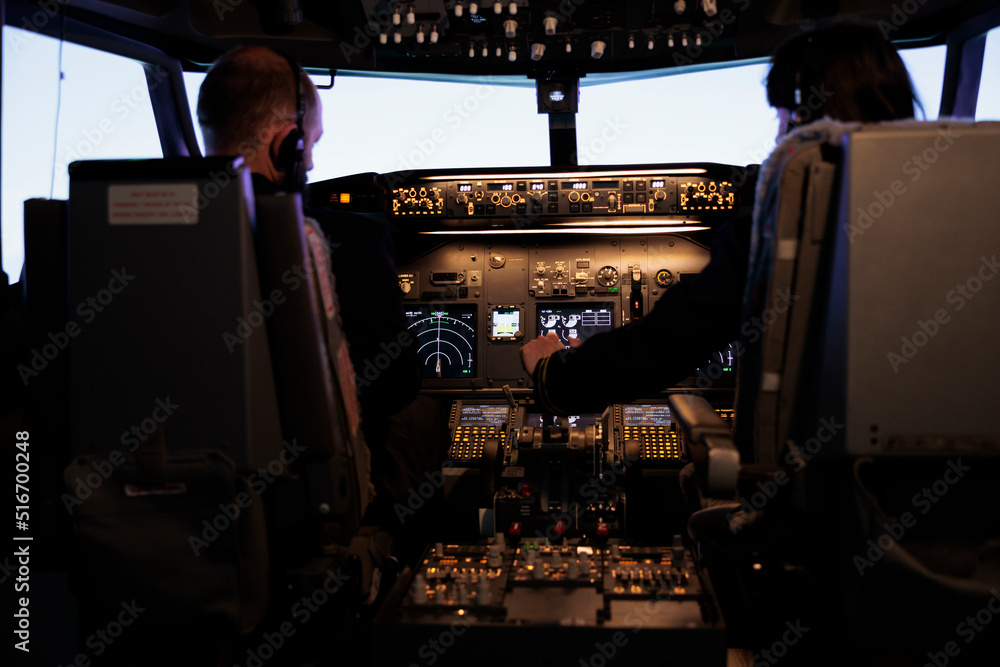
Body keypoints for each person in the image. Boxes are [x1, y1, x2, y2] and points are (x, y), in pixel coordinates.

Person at [520, 21, 920, 417]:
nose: (781, 139)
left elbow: (663, 348)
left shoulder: (780, 227)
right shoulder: (951, 207)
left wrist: (554, 373)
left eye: (783, 120)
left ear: (806, 123)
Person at [196, 47, 428, 524]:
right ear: (289, 143)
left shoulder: (97, 237)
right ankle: (404, 565)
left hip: (145, 515)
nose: (313, 165)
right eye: (313, 146)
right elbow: (393, 383)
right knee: (419, 415)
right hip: (303, 516)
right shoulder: (342, 239)